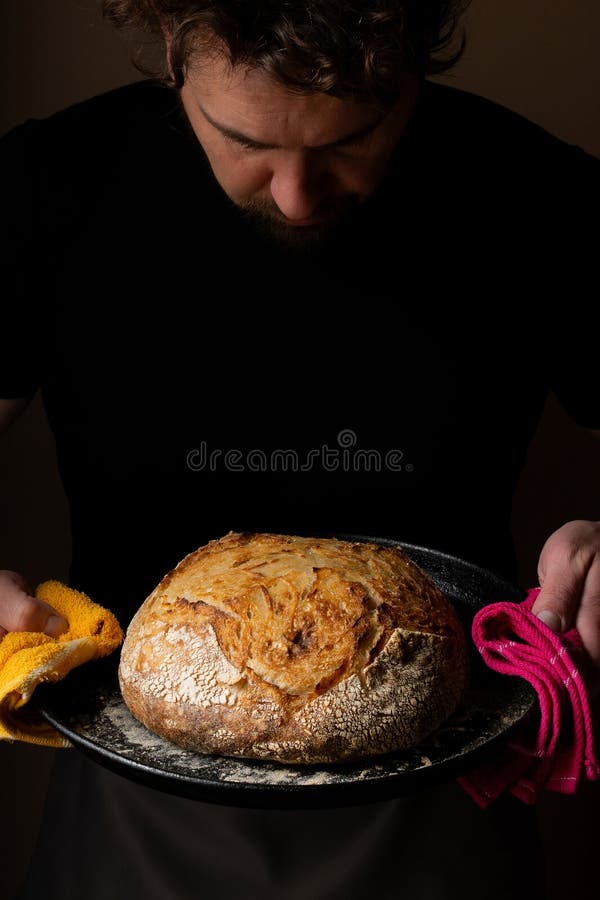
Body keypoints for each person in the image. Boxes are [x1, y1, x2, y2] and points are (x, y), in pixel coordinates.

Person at [1, 2, 599, 898]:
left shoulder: (539, 194)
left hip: (451, 789)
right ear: (172, 50)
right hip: (129, 789)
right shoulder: (48, 184)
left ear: (412, 71)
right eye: (243, 140)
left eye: (352, 139)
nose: (296, 195)